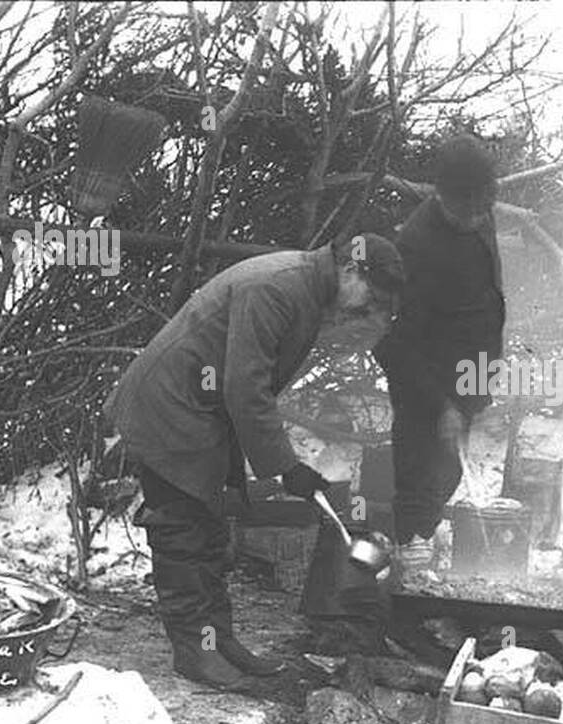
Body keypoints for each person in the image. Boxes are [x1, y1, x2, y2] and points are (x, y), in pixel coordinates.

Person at [104, 235, 404, 689]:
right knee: (182, 531)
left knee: (208, 530)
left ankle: (220, 642)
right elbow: (245, 389)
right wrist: (286, 466)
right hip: (169, 406)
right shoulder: (279, 287)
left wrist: (284, 464)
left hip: (200, 409)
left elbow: (250, 383)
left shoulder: (303, 290)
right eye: (372, 297)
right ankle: (196, 654)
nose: (365, 310)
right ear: (352, 271)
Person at [374, 135, 505, 574]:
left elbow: (484, 299)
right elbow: (394, 343)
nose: (473, 218)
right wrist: (441, 404)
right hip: (424, 377)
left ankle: (421, 547)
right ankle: (410, 566)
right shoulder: (417, 245)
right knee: (419, 471)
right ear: (441, 193)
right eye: (463, 208)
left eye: (481, 206)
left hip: (468, 370)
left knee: (448, 470)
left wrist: (476, 390)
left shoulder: (479, 212)